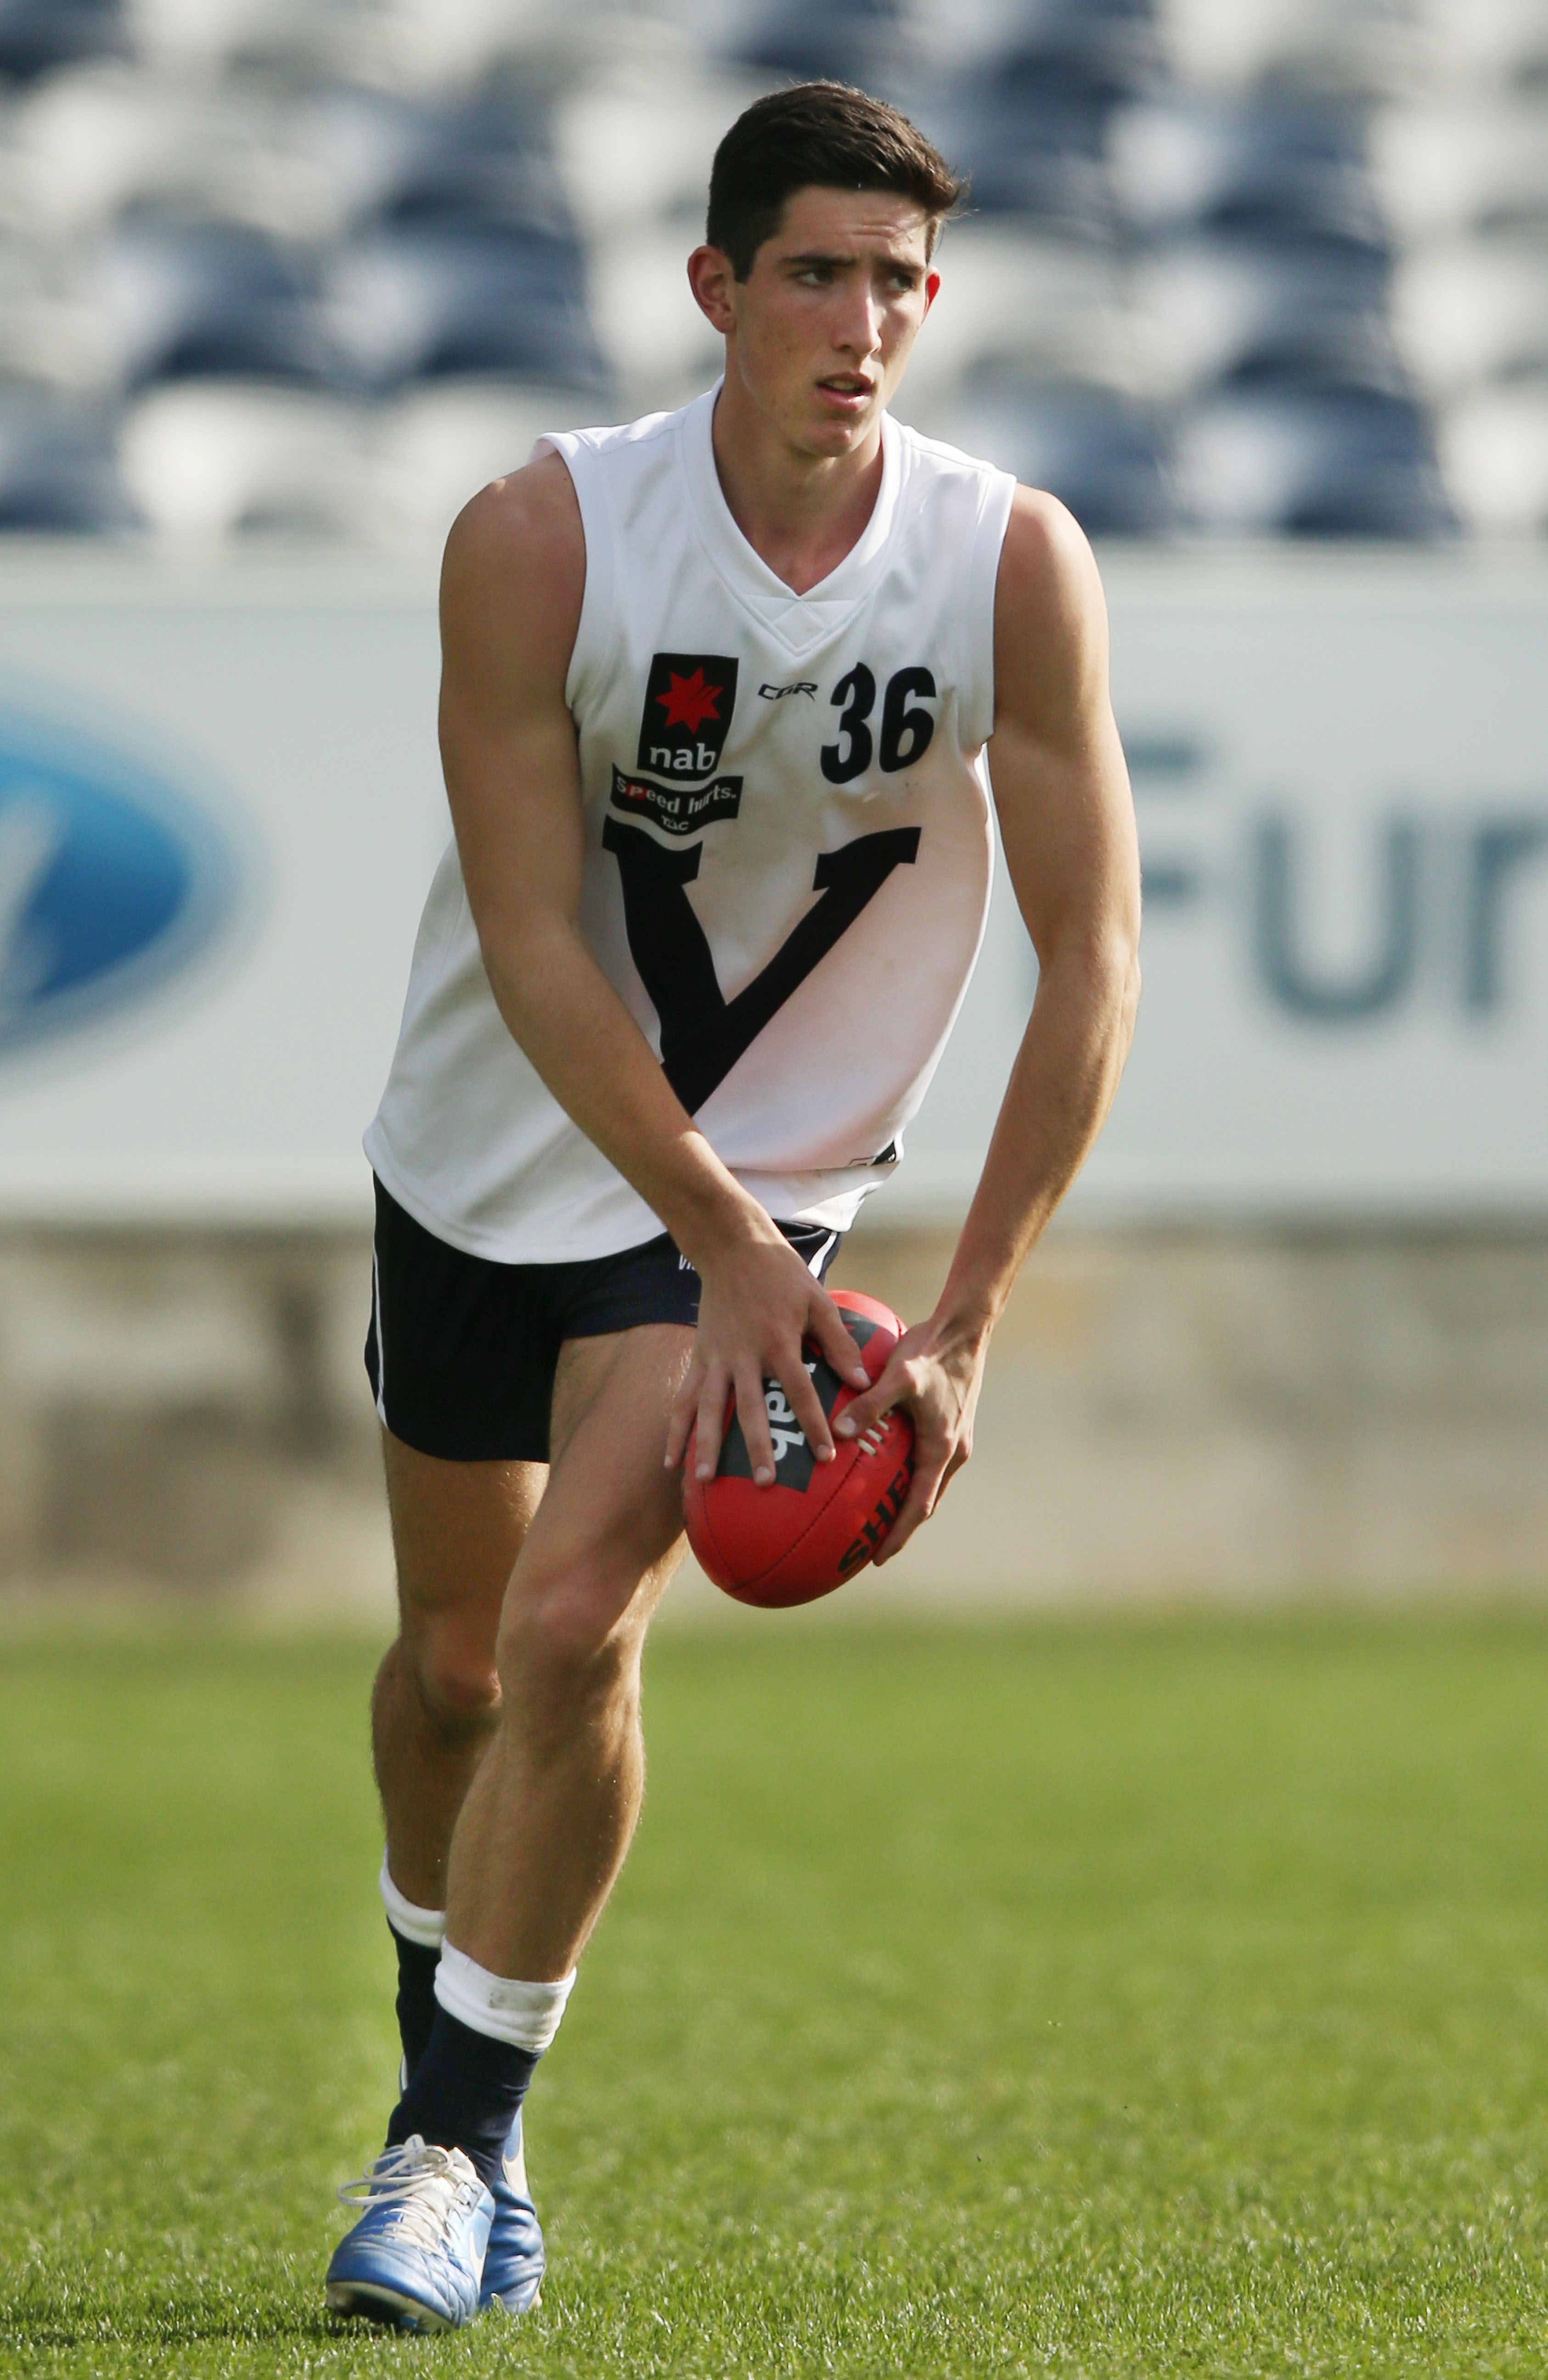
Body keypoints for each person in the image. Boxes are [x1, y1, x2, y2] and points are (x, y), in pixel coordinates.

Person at [324, 79, 1141, 2331]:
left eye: (896, 279)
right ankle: (441, 2081)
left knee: (588, 1617)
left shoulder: (1006, 561)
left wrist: (956, 1316)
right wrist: (699, 1225)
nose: (859, 318)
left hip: (769, 1191)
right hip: (493, 1148)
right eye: (813, 271)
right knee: (457, 1675)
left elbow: (1097, 957)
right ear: (716, 290)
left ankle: (450, 2147)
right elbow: (531, 946)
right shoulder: (544, 539)